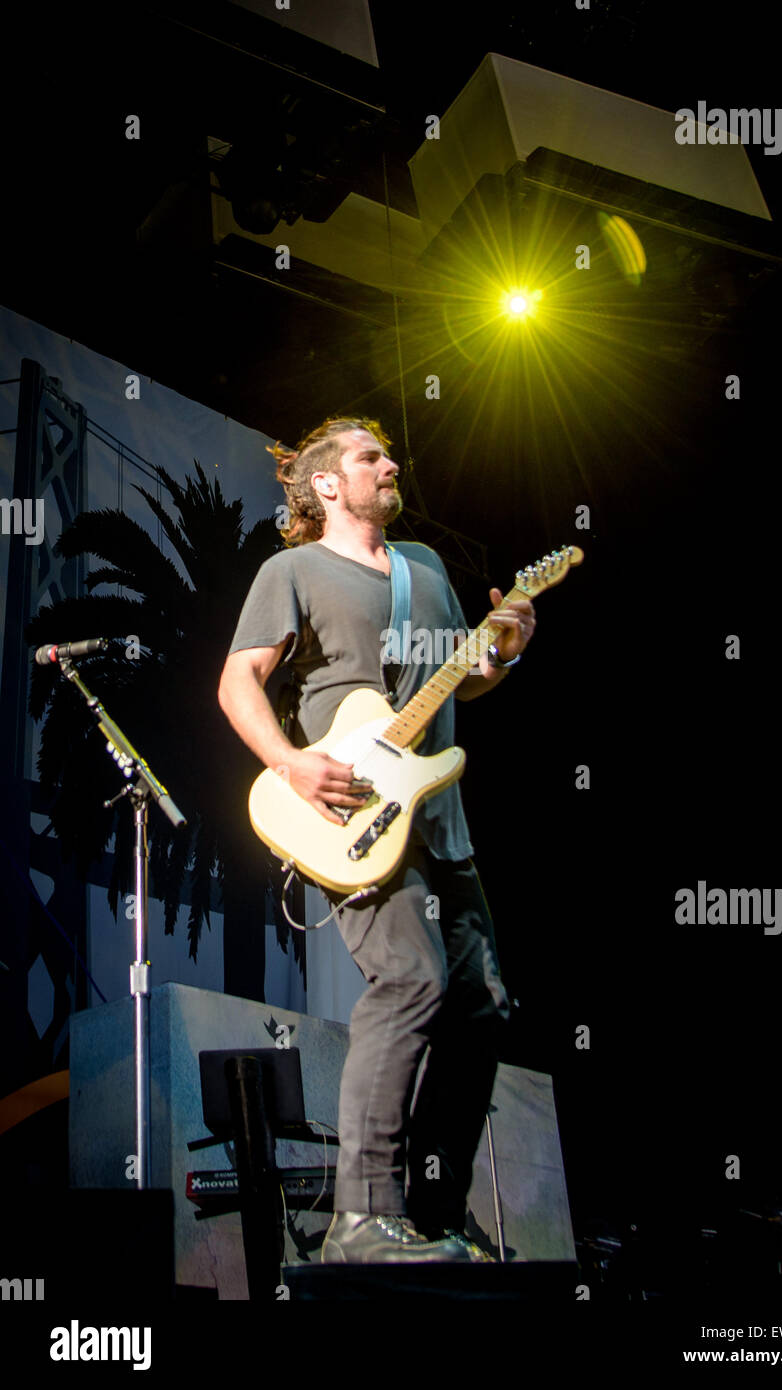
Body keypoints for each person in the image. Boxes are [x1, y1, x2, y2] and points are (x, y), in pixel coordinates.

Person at [217, 416, 535, 1263]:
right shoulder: (294, 570)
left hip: (437, 819)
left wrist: (502, 652)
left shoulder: (425, 568)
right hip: (348, 810)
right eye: (370, 457)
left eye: (389, 455)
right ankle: (360, 1218)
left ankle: (428, 1216)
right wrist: (289, 764)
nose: (391, 465)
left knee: (482, 1008)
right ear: (327, 485)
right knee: (408, 981)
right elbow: (236, 679)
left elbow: (464, 678)